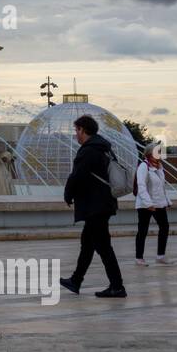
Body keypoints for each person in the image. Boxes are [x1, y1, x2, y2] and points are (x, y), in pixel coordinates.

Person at [58, 115, 126, 298]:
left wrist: (68, 194)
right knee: (87, 244)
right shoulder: (104, 148)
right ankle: (75, 280)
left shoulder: (88, 150)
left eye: (76, 131)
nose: (75, 135)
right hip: (102, 204)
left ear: (82, 129)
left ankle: (117, 286)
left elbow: (77, 175)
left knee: (103, 247)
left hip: (95, 206)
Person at [134, 143, 170, 266]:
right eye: (158, 152)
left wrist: (167, 201)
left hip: (159, 204)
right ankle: (139, 257)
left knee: (164, 227)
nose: (160, 155)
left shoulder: (159, 167)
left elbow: (161, 187)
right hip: (145, 205)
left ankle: (160, 255)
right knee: (143, 230)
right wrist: (148, 203)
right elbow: (141, 186)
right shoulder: (144, 166)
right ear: (150, 153)